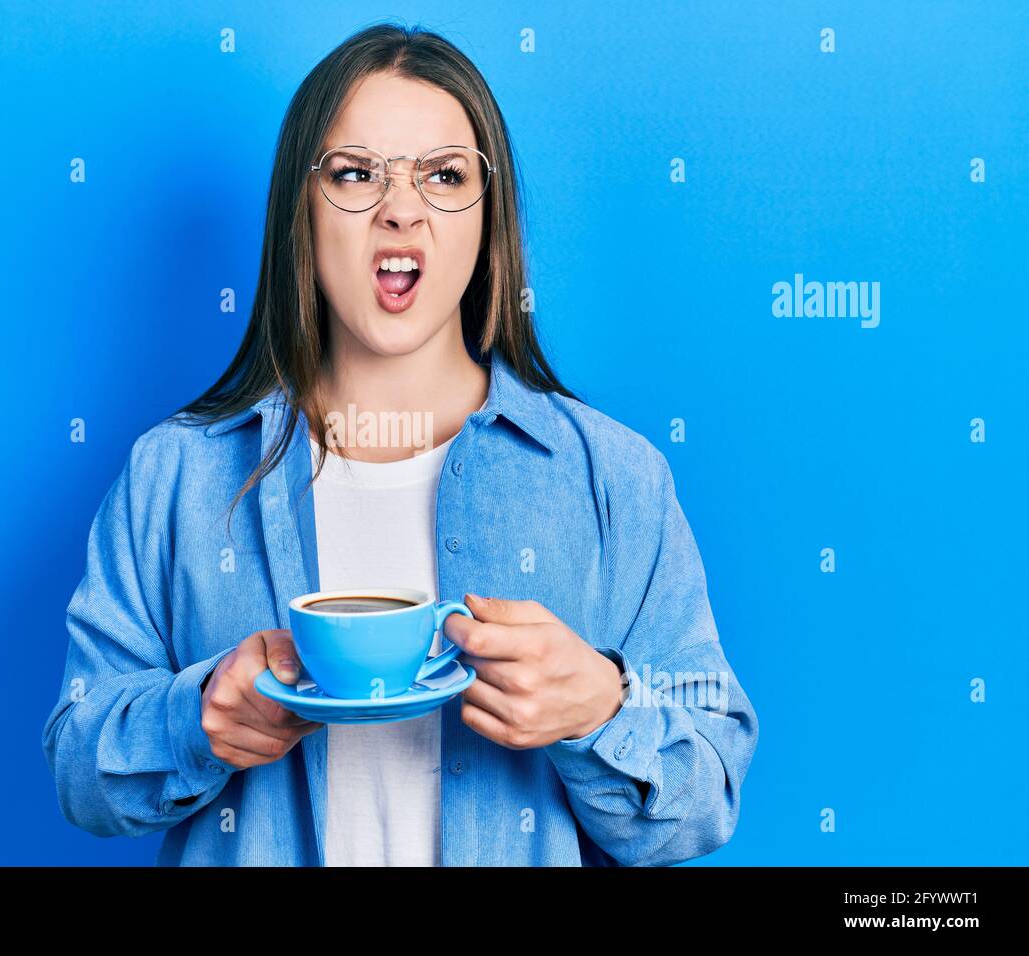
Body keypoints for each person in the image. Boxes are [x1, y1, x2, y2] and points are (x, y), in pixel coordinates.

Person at [41, 23, 758, 867]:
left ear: (489, 220)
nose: (401, 207)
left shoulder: (615, 477)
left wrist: (600, 706)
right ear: (299, 213)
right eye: (355, 173)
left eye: (445, 175)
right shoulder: (176, 474)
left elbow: (708, 786)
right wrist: (198, 718)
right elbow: (77, 765)